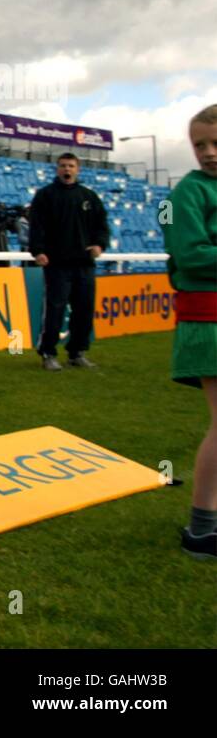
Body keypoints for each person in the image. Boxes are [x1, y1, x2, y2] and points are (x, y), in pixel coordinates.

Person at [162, 104, 217, 561]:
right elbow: (193, 256)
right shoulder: (187, 194)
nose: (208, 152)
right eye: (200, 145)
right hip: (208, 322)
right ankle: (201, 529)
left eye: (215, 142)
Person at [27, 152, 110, 371]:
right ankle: (48, 353)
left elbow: (102, 226)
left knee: (83, 311)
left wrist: (100, 245)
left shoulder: (89, 197)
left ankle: (77, 353)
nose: (67, 169)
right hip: (57, 264)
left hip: (84, 264)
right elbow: (36, 227)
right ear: (57, 169)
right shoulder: (45, 196)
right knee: (55, 310)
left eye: (71, 166)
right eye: (63, 165)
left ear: (77, 169)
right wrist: (38, 251)